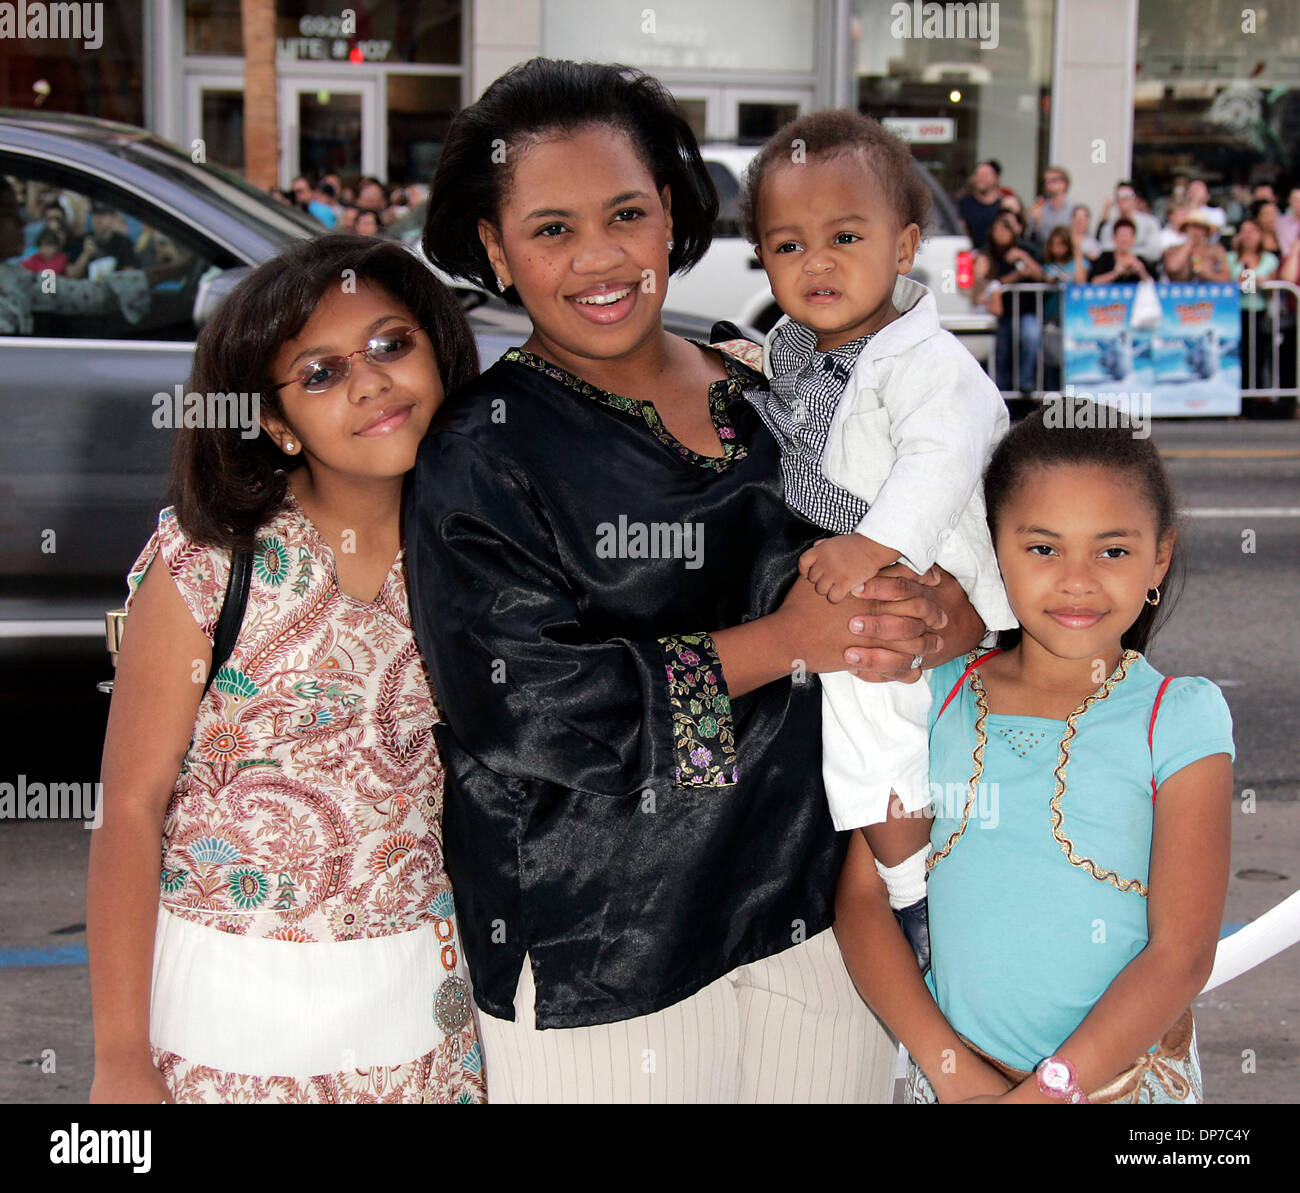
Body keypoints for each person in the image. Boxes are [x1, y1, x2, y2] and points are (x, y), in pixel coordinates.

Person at [409, 57, 986, 1104]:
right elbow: (533, 711)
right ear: (494, 247)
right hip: (609, 945)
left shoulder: (769, 381)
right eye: (550, 229)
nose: (599, 256)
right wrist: (784, 645)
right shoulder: (481, 450)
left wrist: (948, 615)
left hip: (816, 908)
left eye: (626, 212)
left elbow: (941, 530)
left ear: (669, 211)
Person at [87, 235, 486, 1104]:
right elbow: (128, 806)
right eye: (320, 373)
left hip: (422, 1032)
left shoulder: (487, 554)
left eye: (391, 345)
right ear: (275, 424)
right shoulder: (207, 562)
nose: (372, 383)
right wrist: (119, 1057)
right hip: (226, 1038)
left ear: (439, 351)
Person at [835, 404, 1234, 1103]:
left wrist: (1048, 1093)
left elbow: (1181, 954)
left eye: (1112, 550)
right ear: (994, 549)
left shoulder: (1178, 719)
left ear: (1159, 557)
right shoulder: (931, 698)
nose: (1077, 580)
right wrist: (955, 1076)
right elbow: (863, 903)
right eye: (1044, 548)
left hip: (1125, 1088)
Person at [735, 109, 1016, 974]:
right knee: (872, 718)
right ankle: (914, 875)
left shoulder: (930, 365)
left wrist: (872, 544)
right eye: (787, 245)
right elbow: (798, 408)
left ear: (903, 247)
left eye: (845, 235)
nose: (816, 262)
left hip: (930, 563)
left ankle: (915, 893)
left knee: (875, 711)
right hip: (881, 561)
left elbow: (942, 457)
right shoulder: (802, 346)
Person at [0, 180, 181, 335]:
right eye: (8, 213)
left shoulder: (15, 279)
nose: (20, 222)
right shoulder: (79, 244)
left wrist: (174, 270)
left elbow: (91, 294)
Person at [973, 209, 1045, 393]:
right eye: (997, 230)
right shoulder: (986, 253)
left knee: (1031, 337)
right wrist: (1017, 276)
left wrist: (1025, 259)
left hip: (1025, 309)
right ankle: (1000, 391)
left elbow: (1042, 276)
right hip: (998, 313)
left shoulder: (1025, 249)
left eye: (1005, 230)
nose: (1001, 234)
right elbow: (988, 282)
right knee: (1001, 349)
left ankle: (1025, 382)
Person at [1227, 217, 1280, 394]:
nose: (1248, 236)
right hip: (1235, 312)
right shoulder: (1230, 258)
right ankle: (1236, 397)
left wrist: (1263, 282)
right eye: (1245, 231)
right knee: (1236, 356)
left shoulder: (1269, 259)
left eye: (1253, 231)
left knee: (1257, 355)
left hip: (1258, 311)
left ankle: (1256, 397)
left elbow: (1273, 286)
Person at [1096, 181, 1162, 263]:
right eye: (1119, 196)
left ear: (1135, 199)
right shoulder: (1108, 226)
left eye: (1127, 196)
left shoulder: (1150, 222)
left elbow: (1154, 253)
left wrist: (1125, 252)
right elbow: (1105, 250)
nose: (1122, 200)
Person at [1163, 210, 1230, 283]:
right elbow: (1173, 267)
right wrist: (1189, 243)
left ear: (1206, 231)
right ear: (1186, 229)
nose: (1196, 231)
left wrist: (1206, 274)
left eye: (1200, 227)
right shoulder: (1173, 249)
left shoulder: (1216, 250)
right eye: (1192, 227)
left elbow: (1226, 277)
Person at [1087, 217, 1156, 283]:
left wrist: (1141, 272)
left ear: (1133, 239)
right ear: (1114, 238)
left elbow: (1154, 284)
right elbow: (1093, 281)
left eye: (1127, 236)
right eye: (1121, 235)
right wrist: (1115, 273)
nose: (1124, 240)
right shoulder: (1105, 258)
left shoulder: (1140, 260)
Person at [957, 160, 1005, 251]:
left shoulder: (1004, 205)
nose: (981, 178)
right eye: (978, 175)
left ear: (996, 179)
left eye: (986, 175)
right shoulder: (963, 204)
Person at [1028, 166, 1075, 248]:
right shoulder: (1040, 208)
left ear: (1064, 184)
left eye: (1053, 180)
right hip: (1045, 254)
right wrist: (1037, 223)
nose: (1048, 184)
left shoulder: (1074, 209)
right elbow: (1034, 238)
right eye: (1046, 181)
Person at [1275, 187, 1300, 259]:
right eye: (1295, 199)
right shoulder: (1281, 222)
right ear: (1289, 200)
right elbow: (1284, 249)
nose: (1298, 203)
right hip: (1288, 261)